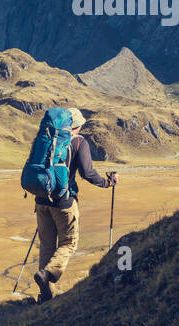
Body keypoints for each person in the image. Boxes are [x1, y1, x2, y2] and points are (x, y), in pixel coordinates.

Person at [31, 108, 117, 303]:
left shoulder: (47, 139)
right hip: (63, 201)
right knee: (68, 243)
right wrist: (108, 183)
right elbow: (88, 173)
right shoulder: (78, 142)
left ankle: (46, 294)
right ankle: (48, 274)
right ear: (77, 125)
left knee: (46, 245)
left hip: (41, 199)